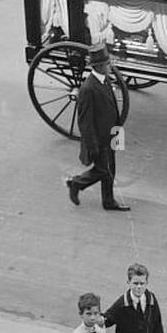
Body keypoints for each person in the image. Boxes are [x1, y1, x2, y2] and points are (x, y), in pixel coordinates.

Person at [66, 44, 130, 211]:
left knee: (110, 169)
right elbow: (85, 121)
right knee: (103, 170)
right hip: (100, 139)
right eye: (108, 64)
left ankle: (108, 201)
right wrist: (92, 144)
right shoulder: (88, 88)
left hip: (112, 134)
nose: (110, 66)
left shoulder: (104, 79)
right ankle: (76, 183)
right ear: (100, 66)